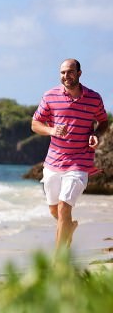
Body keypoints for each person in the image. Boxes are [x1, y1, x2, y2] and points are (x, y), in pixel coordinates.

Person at [31, 58, 108, 254]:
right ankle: (69, 227)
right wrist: (52, 130)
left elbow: (103, 122)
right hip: (54, 161)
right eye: (63, 72)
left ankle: (59, 260)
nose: (66, 76)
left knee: (65, 207)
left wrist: (96, 135)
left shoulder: (94, 98)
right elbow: (35, 124)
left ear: (79, 73)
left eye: (70, 72)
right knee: (55, 211)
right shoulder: (50, 96)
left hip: (80, 161)